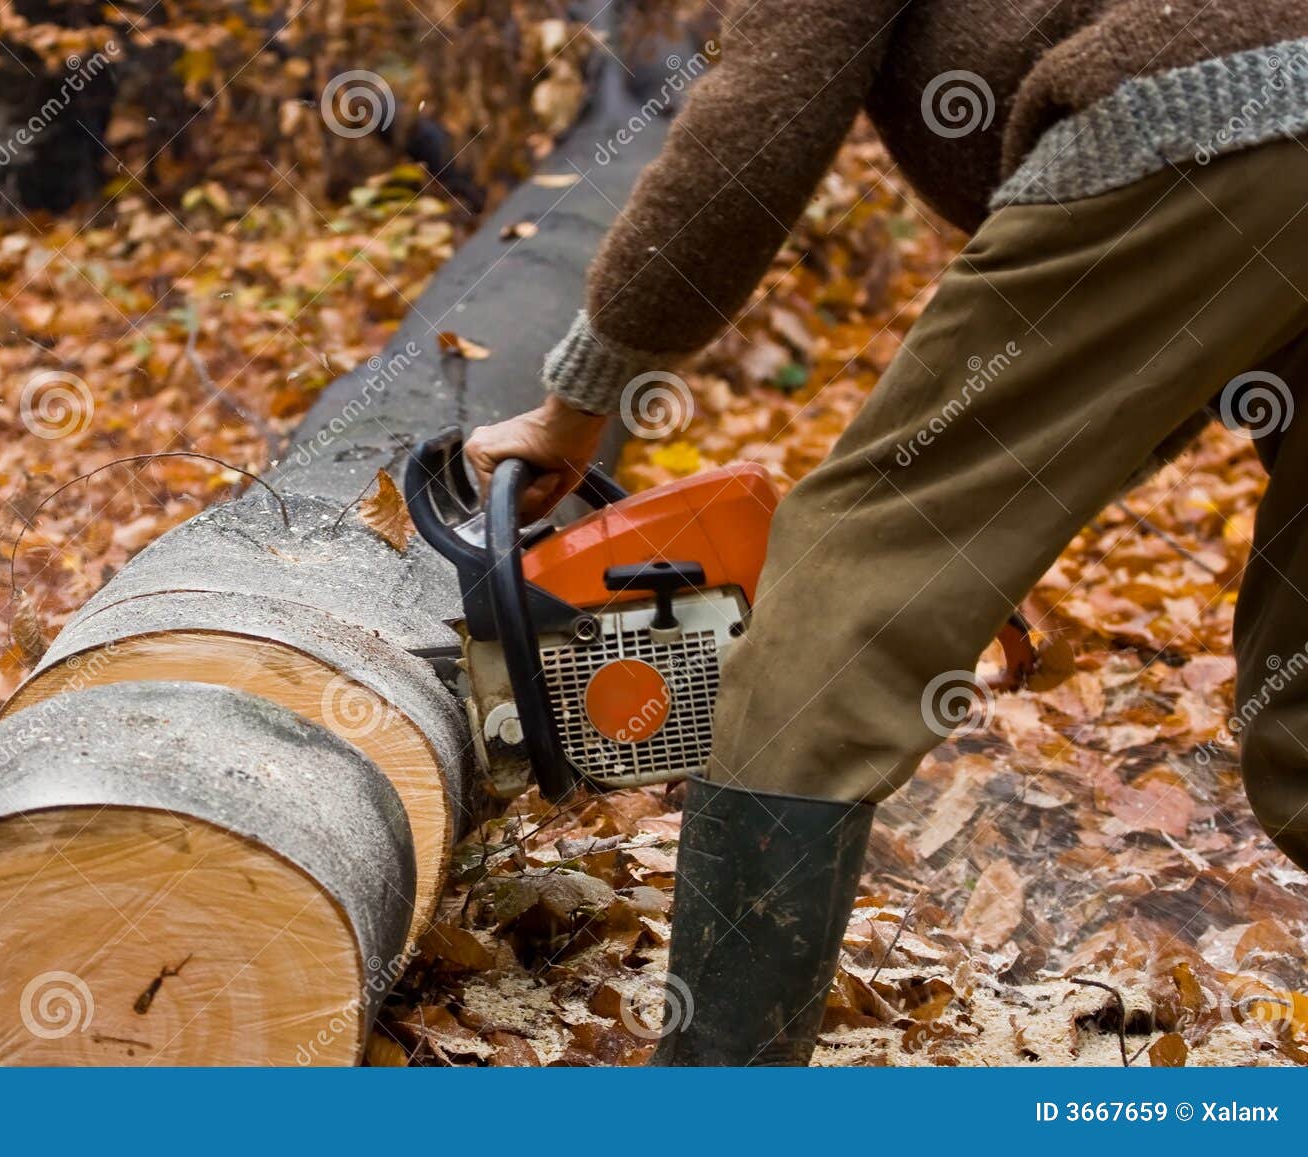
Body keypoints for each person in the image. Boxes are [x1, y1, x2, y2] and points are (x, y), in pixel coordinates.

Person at [464, 0, 1308, 1065]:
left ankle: (716, 1082)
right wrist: (1005, 503)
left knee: (850, 553)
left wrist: (578, 399)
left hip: (1199, 111)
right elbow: (1173, 331)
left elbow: (753, 130)